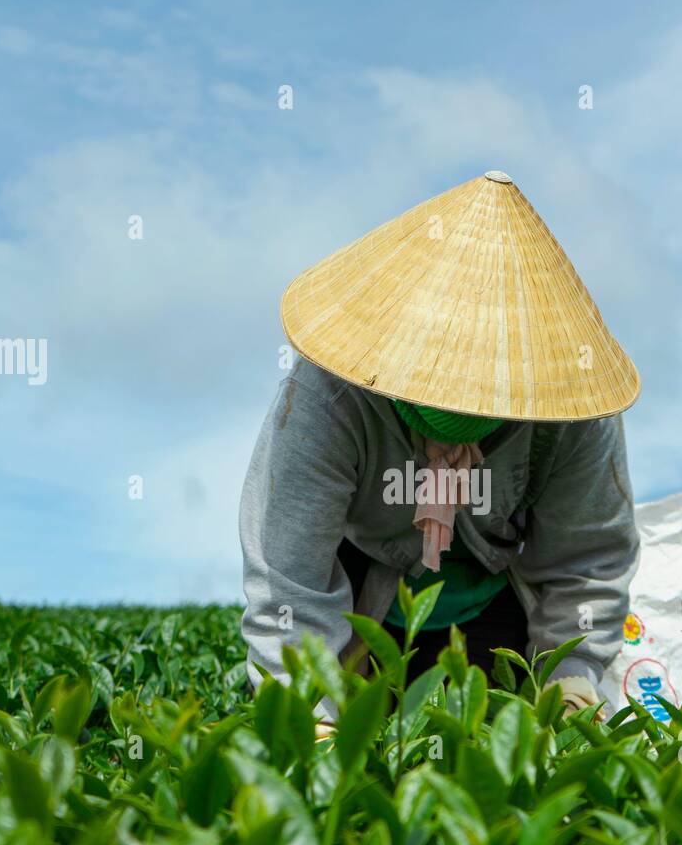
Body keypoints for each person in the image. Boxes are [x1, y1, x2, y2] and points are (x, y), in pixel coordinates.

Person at [239, 170, 641, 734]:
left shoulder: (568, 411)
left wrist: (572, 676)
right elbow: (290, 581)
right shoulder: (327, 398)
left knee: (485, 752)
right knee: (353, 749)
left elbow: (586, 561)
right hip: (359, 599)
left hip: (494, 608)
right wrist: (312, 725)